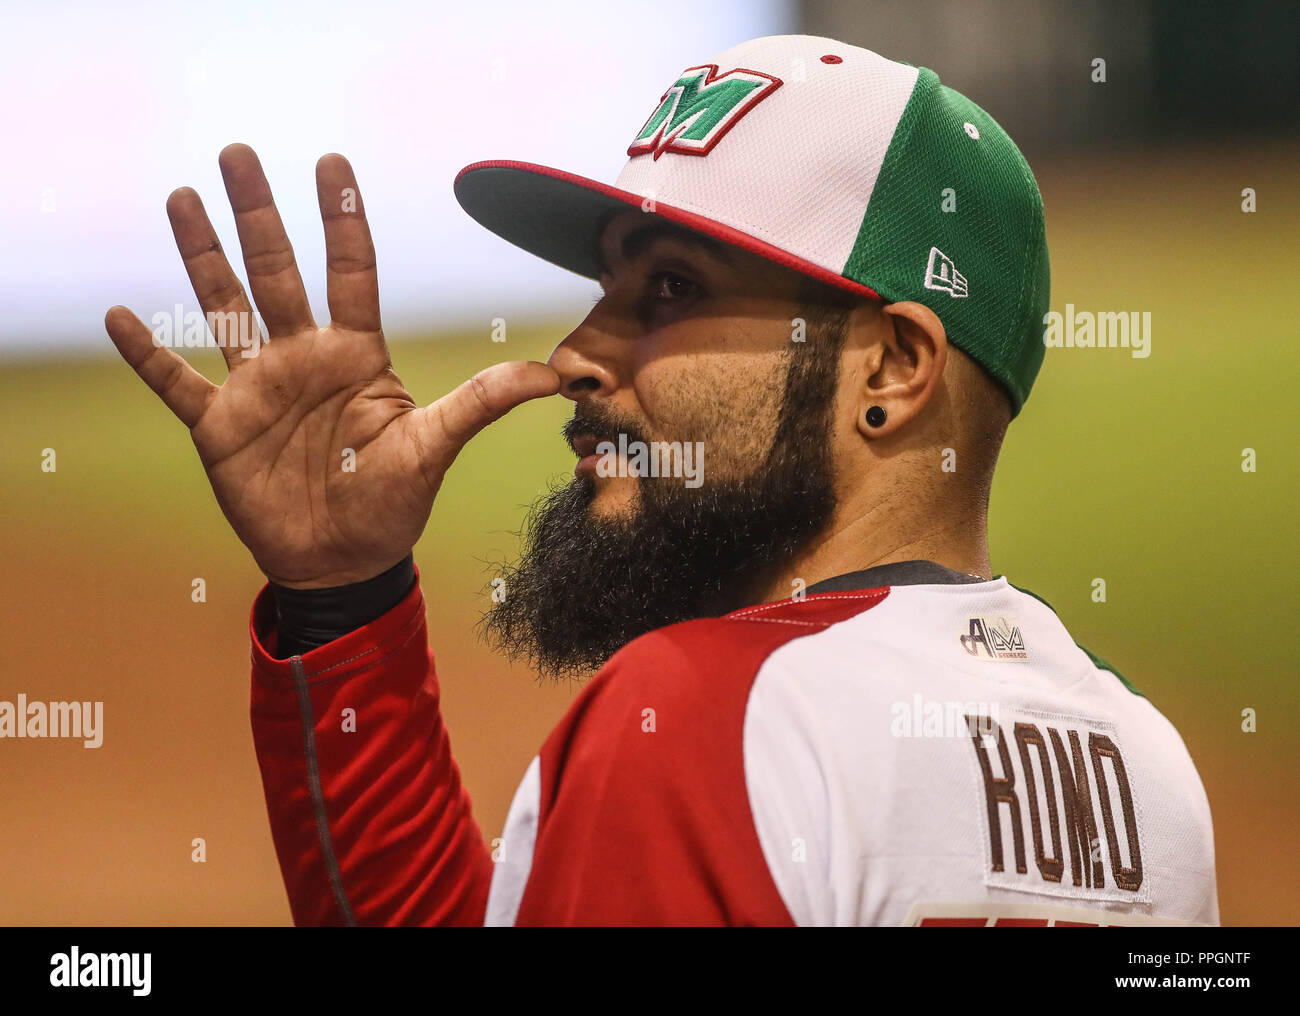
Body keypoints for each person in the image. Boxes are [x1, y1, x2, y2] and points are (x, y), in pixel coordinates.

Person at [105, 35, 1218, 926]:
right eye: (606, 282)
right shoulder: (1148, 769)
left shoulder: (697, 717)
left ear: (890, 366)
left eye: (673, 288)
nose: (578, 353)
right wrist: (345, 596)